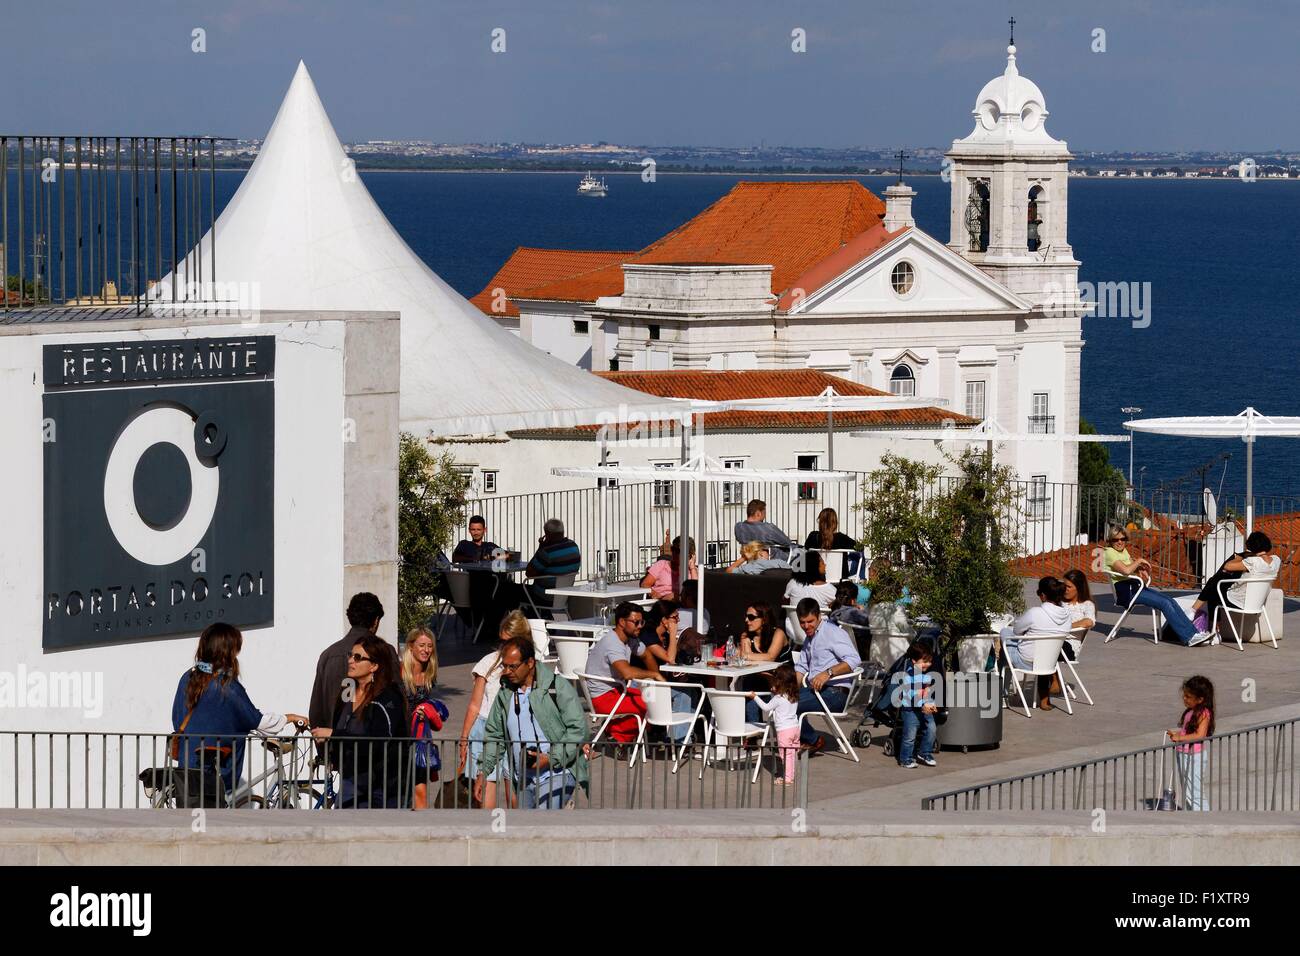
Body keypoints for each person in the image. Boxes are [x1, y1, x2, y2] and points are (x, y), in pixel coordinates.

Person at [171, 622, 308, 798]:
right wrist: (290, 717)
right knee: (216, 810)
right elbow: (255, 720)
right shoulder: (226, 687)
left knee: (196, 815)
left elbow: (177, 718)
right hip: (214, 766)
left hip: (187, 761)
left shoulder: (187, 677)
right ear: (227, 652)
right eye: (236, 649)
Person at [475, 636, 591, 810]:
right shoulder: (505, 693)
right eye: (504, 666)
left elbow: (578, 729)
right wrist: (483, 772)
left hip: (558, 772)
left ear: (530, 663)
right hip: (523, 777)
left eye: (512, 666)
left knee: (540, 821)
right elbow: (494, 734)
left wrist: (551, 758)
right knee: (526, 830)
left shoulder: (556, 686)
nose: (506, 671)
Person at [310, 633, 408, 808]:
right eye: (350, 655)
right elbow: (341, 725)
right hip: (351, 782)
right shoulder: (347, 692)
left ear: (374, 666)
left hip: (381, 788)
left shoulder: (387, 698)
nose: (350, 661)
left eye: (357, 657)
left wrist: (334, 735)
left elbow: (377, 740)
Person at [458, 611, 532, 810]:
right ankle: (489, 834)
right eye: (502, 642)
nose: (504, 648)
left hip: (514, 729)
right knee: (484, 789)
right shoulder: (489, 662)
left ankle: (513, 834)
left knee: (514, 789)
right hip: (484, 727)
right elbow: (475, 703)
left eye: (509, 642)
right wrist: (464, 738)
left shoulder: (530, 666)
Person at [1104, 527, 1213, 647]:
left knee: (1169, 600)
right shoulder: (1109, 552)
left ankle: (1193, 634)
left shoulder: (1123, 551)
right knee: (1164, 603)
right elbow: (1125, 570)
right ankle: (1189, 637)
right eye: (1116, 540)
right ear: (1110, 540)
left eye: (1123, 539)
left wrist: (1140, 569)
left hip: (1136, 587)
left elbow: (1130, 566)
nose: (1120, 542)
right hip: (1126, 592)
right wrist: (1139, 561)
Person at [583, 602, 665, 744]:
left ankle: (617, 729)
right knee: (652, 703)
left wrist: (655, 681)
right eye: (636, 622)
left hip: (617, 691)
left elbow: (647, 655)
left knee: (655, 697)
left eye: (642, 622)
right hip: (603, 697)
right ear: (621, 622)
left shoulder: (630, 639)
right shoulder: (613, 643)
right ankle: (618, 735)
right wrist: (655, 675)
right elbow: (627, 673)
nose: (640, 626)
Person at [791, 598, 862, 752]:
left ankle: (813, 740)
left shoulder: (832, 632)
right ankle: (804, 740)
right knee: (783, 699)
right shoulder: (810, 638)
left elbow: (854, 659)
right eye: (802, 623)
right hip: (817, 690)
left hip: (835, 693)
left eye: (810, 621)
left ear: (818, 616)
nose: (806, 626)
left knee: (789, 705)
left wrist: (828, 673)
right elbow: (801, 668)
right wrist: (788, 689)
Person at [309, 592, 385, 732]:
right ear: (375, 621)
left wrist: (324, 745)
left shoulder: (328, 655)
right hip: (371, 747)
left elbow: (316, 710)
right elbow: (398, 703)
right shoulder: (383, 652)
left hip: (331, 747)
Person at [1000, 576, 1078, 711]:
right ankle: (1044, 700)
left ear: (1042, 595)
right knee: (1043, 653)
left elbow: (1017, 631)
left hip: (1026, 661)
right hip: (1048, 663)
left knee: (1005, 634)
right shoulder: (1067, 616)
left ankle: (1003, 694)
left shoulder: (1035, 613)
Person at [1191, 531, 1279, 634]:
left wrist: (1238, 557)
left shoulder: (1253, 562)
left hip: (1239, 601)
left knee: (1213, 587)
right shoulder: (1276, 561)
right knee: (1215, 584)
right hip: (1258, 603)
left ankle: (1210, 627)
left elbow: (1227, 566)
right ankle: (1206, 624)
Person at [638, 599, 698, 740]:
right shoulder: (648, 635)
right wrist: (673, 634)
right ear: (664, 619)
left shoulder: (662, 636)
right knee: (683, 693)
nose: (677, 620)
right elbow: (669, 658)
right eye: (674, 617)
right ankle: (679, 740)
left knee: (694, 692)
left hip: (655, 682)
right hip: (642, 685)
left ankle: (682, 733)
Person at [401, 626, 444, 810]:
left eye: (430, 645)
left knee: (420, 787)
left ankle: (421, 827)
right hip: (401, 735)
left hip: (420, 737)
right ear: (411, 647)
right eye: (422, 645)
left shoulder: (429, 674)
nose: (426, 650)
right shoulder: (401, 672)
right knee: (402, 787)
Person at [746, 664, 801, 784]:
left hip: (784, 731)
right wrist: (774, 693)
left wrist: (755, 697)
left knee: (785, 755)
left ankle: (787, 779)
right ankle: (792, 775)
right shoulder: (793, 695)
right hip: (795, 728)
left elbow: (766, 707)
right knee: (793, 752)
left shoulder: (778, 698)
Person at [1168, 675, 1215, 812]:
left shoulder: (1204, 713)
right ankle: (1193, 816)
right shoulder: (1191, 712)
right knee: (1188, 791)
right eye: (1184, 696)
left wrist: (1180, 738)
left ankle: (1204, 818)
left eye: (1188, 697)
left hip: (1194, 756)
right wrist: (1177, 735)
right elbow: (1187, 731)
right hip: (1184, 753)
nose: (1184, 699)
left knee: (1195, 792)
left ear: (1200, 699)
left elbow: (1200, 735)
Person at [895, 639, 939, 769]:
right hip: (910, 710)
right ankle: (905, 758)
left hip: (923, 707)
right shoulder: (909, 675)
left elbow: (926, 691)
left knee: (931, 729)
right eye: (924, 661)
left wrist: (931, 703)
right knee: (910, 736)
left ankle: (924, 752)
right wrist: (923, 704)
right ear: (914, 661)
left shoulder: (923, 675)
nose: (928, 664)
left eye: (929, 661)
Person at [524, 518, 582, 614]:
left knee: (506, 591)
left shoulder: (547, 552)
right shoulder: (573, 547)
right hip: (563, 597)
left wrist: (541, 547)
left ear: (548, 534)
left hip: (545, 597)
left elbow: (529, 573)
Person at [783, 556, 836, 642]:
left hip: (795, 634)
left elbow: (785, 600)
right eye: (822, 563)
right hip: (821, 636)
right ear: (815, 567)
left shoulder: (792, 583)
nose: (825, 565)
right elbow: (838, 606)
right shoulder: (828, 589)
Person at [641, 535, 697, 599]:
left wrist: (692, 567)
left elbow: (695, 591)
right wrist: (654, 594)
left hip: (681, 603)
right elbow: (645, 584)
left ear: (689, 555)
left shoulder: (693, 571)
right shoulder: (661, 564)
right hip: (661, 603)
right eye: (673, 549)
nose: (674, 553)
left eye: (678, 551)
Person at [1061, 569, 1096, 662]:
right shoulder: (1059, 601)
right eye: (1063, 585)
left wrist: (1064, 627)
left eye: (1068, 586)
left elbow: (1088, 622)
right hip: (1051, 641)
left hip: (1068, 646)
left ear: (1079, 588)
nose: (1065, 589)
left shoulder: (1087, 604)